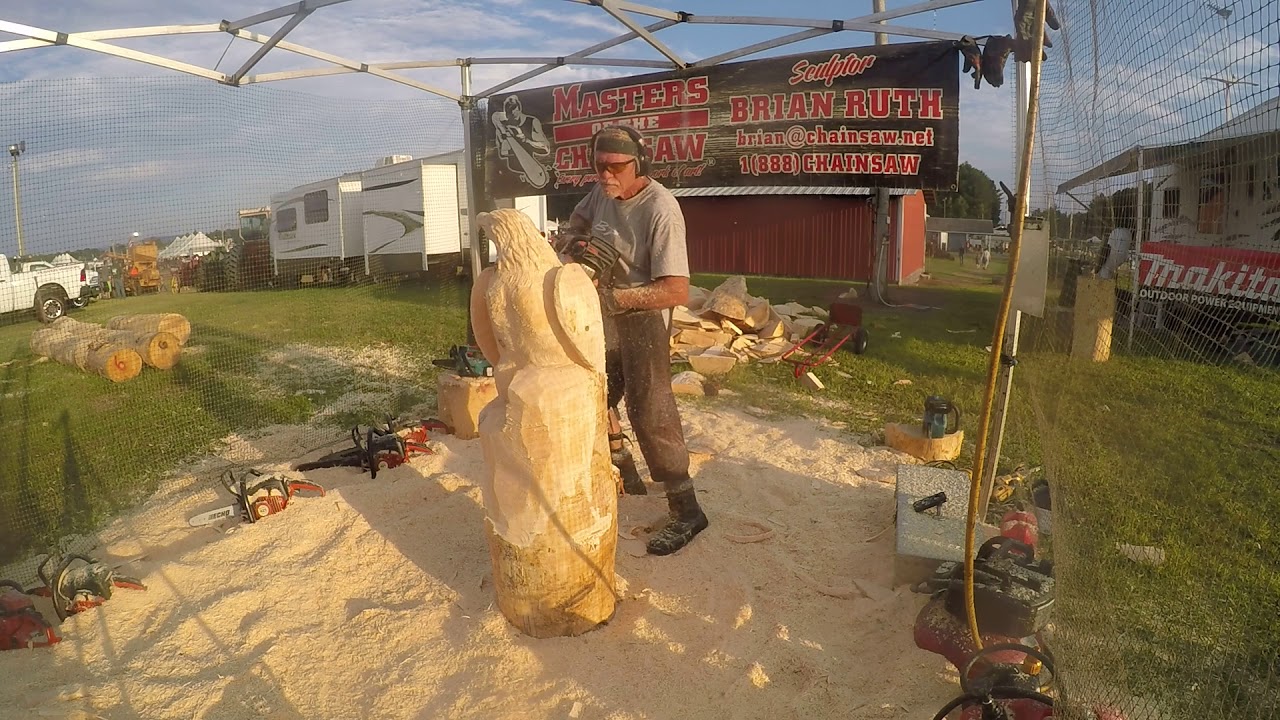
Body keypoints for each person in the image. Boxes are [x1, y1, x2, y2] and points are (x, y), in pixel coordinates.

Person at [564, 125, 709, 556]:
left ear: (638, 163)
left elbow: (676, 289)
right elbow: (576, 225)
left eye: (615, 168)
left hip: (644, 314)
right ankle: (622, 466)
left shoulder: (661, 209)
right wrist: (576, 246)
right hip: (605, 313)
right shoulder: (599, 195)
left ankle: (687, 508)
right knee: (596, 391)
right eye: (598, 167)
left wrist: (613, 298)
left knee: (650, 408)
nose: (606, 176)